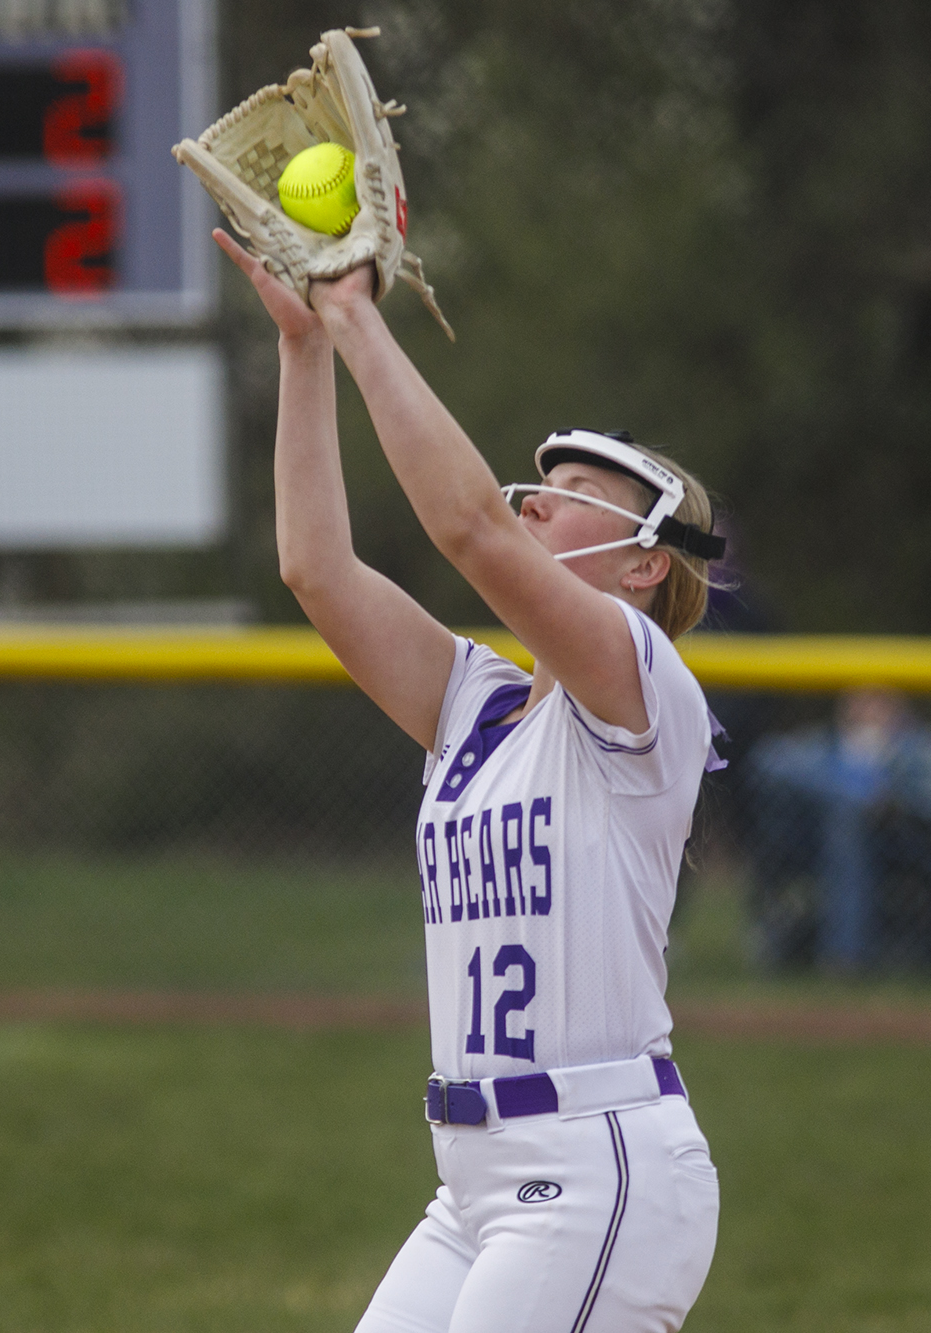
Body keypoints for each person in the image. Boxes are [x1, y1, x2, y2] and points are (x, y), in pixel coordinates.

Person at [214, 228, 724, 1333]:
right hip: (474, 1181)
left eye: (574, 491)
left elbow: (466, 528)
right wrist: (304, 350)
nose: (535, 502)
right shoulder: (477, 706)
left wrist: (358, 317)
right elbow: (315, 568)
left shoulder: (641, 687)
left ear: (643, 562)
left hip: (596, 1172)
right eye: (538, 486)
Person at [745, 688, 931, 974]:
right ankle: (843, 957)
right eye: (860, 702)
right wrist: (851, 791)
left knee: (853, 827)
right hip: (818, 848)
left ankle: (846, 956)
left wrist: (895, 795)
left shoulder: (924, 748)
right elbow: (766, 762)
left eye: (880, 702)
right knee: (844, 822)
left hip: (901, 846)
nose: (868, 712)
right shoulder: (823, 745)